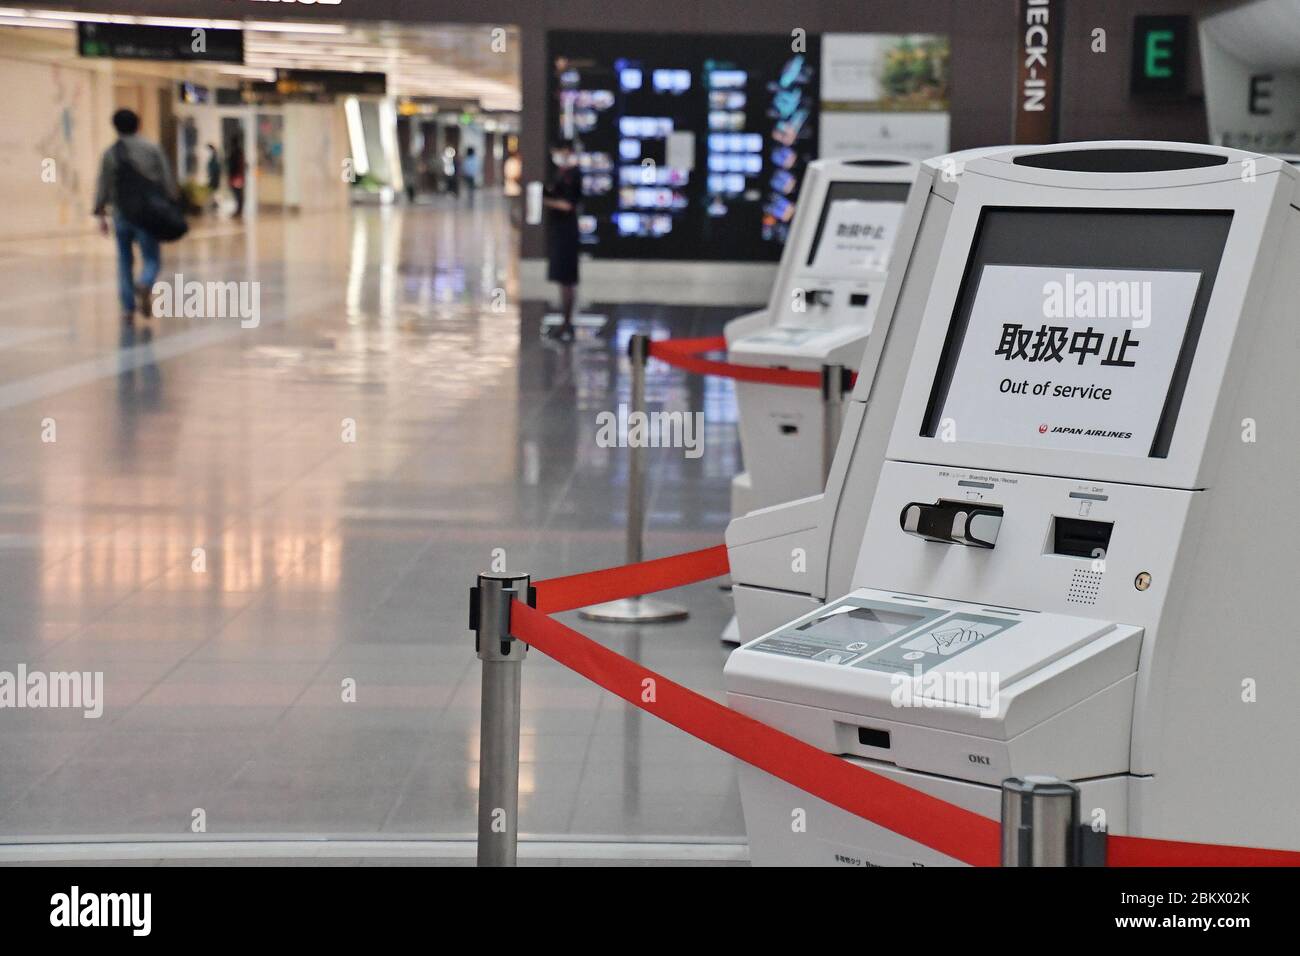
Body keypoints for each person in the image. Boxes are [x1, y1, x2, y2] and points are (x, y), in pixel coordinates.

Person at [93, 108, 178, 323]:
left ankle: (127, 308)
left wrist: (101, 214)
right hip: (147, 214)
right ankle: (146, 282)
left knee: (124, 261)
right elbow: (167, 180)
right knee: (151, 258)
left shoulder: (111, 153)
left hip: (121, 214)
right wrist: (171, 203)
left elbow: (103, 185)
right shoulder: (152, 149)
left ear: (115, 127)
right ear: (138, 125)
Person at [543, 140, 582, 340]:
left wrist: (548, 201)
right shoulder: (560, 173)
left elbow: (569, 204)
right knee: (563, 280)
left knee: (568, 278)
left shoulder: (574, 174)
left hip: (567, 231)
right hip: (559, 230)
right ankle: (565, 322)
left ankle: (567, 322)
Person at [503, 148, 523, 228]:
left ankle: (517, 223)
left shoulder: (518, 162)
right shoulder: (511, 162)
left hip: (518, 190)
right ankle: (515, 224)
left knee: (516, 207)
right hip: (513, 190)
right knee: (514, 208)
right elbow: (512, 176)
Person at [227, 136, 246, 219]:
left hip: (236, 176)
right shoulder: (239, 153)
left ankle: (239, 210)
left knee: (238, 194)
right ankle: (239, 210)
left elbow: (233, 166)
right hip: (238, 176)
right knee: (238, 194)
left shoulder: (236, 153)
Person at [205, 144, 221, 212]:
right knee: (212, 191)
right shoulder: (213, 157)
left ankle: (215, 203)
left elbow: (215, 168)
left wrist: (212, 175)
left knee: (213, 190)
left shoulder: (214, 157)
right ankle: (214, 203)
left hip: (214, 176)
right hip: (213, 176)